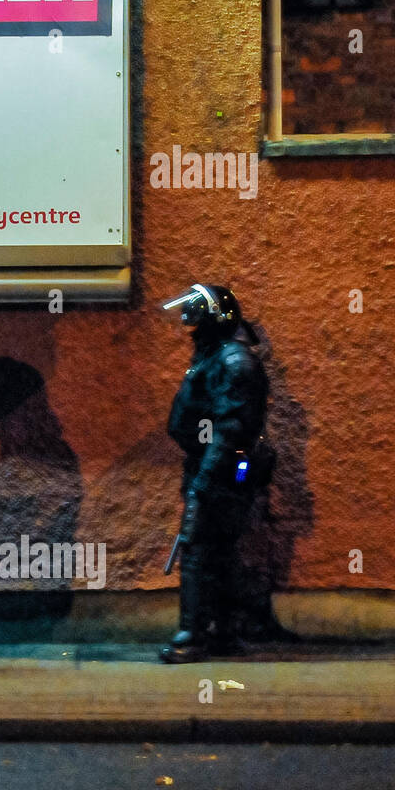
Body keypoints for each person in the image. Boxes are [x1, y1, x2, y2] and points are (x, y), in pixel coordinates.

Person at [159, 283, 272, 664]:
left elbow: (231, 429)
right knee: (218, 551)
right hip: (212, 465)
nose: (191, 330)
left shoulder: (233, 362)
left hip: (222, 469)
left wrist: (204, 480)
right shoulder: (219, 356)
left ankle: (193, 634)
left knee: (198, 550)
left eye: (196, 321)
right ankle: (222, 632)